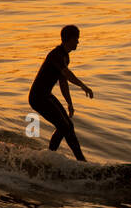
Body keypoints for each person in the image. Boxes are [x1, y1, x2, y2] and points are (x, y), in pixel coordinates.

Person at [29, 25, 94, 161]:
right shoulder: (56, 55)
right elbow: (67, 73)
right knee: (63, 126)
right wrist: (83, 86)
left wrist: (69, 103)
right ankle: (49, 158)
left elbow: (63, 82)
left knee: (68, 126)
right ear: (69, 39)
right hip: (37, 97)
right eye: (76, 39)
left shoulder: (65, 57)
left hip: (46, 95)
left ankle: (81, 161)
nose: (78, 42)